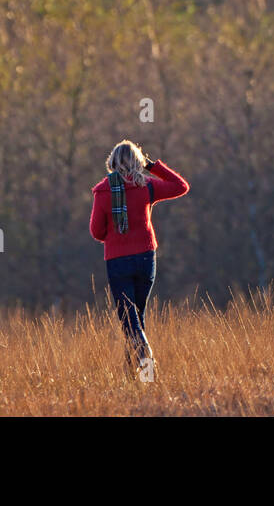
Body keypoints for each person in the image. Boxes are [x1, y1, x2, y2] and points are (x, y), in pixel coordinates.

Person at [89, 140, 189, 375]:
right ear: (138, 162)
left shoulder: (103, 191)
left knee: (129, 319)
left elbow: (96, 231)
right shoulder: (147, 185)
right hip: (146, 259)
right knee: (136, 319)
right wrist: (152, 166)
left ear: (112, 162)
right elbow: (181, 186)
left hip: (118, 261)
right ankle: (135, 376)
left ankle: (146, 363)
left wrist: (114, 234)